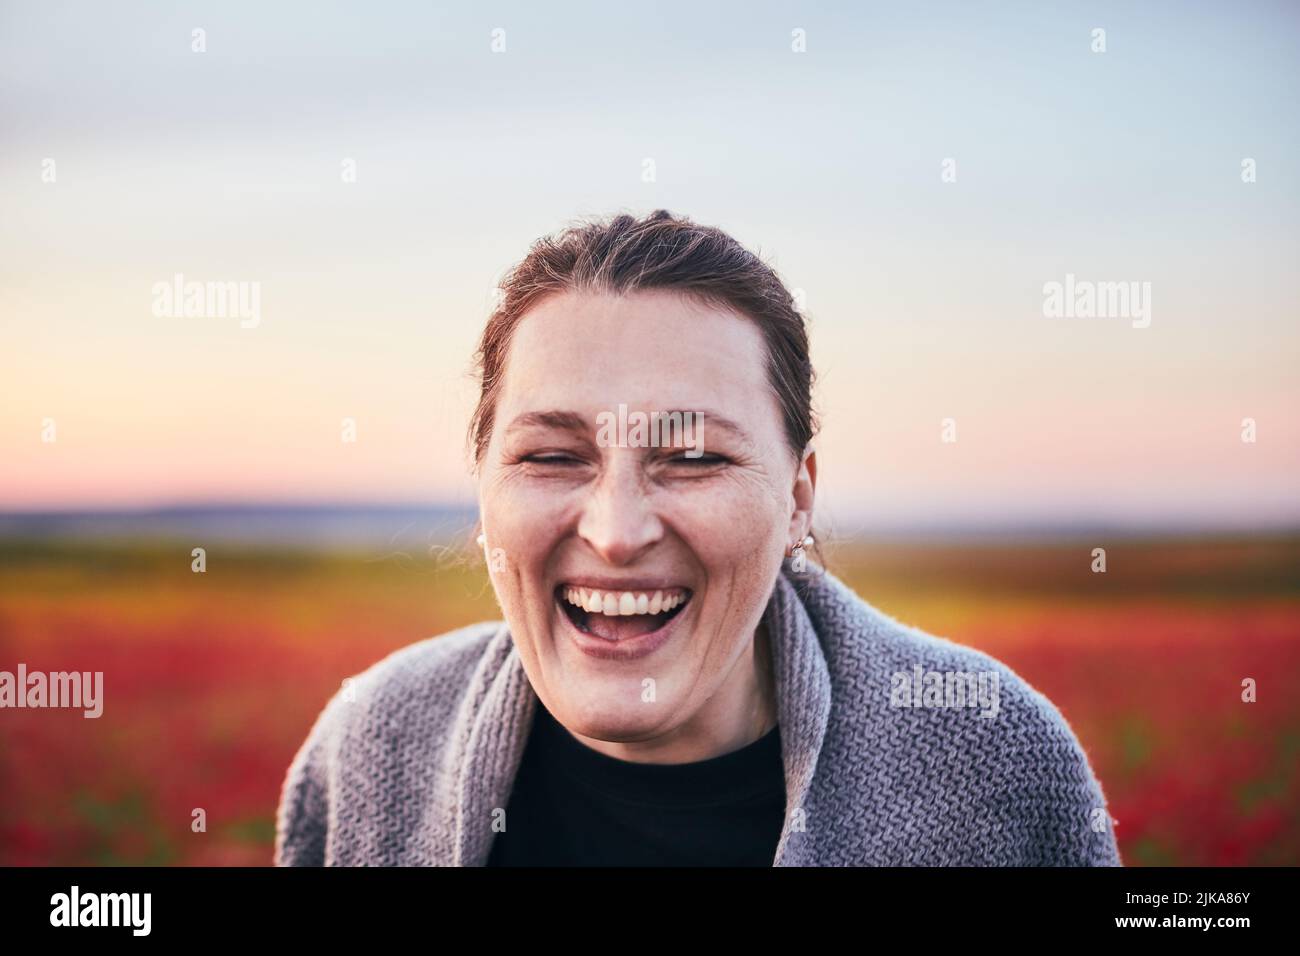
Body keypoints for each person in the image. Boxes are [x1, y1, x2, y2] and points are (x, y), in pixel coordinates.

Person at [274, 209, 1122, 866]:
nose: (614, 532)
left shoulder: (990, 760)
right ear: (483, 485)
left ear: (797, 500)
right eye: (553, 455)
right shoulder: (370, 744)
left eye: (693, 457)